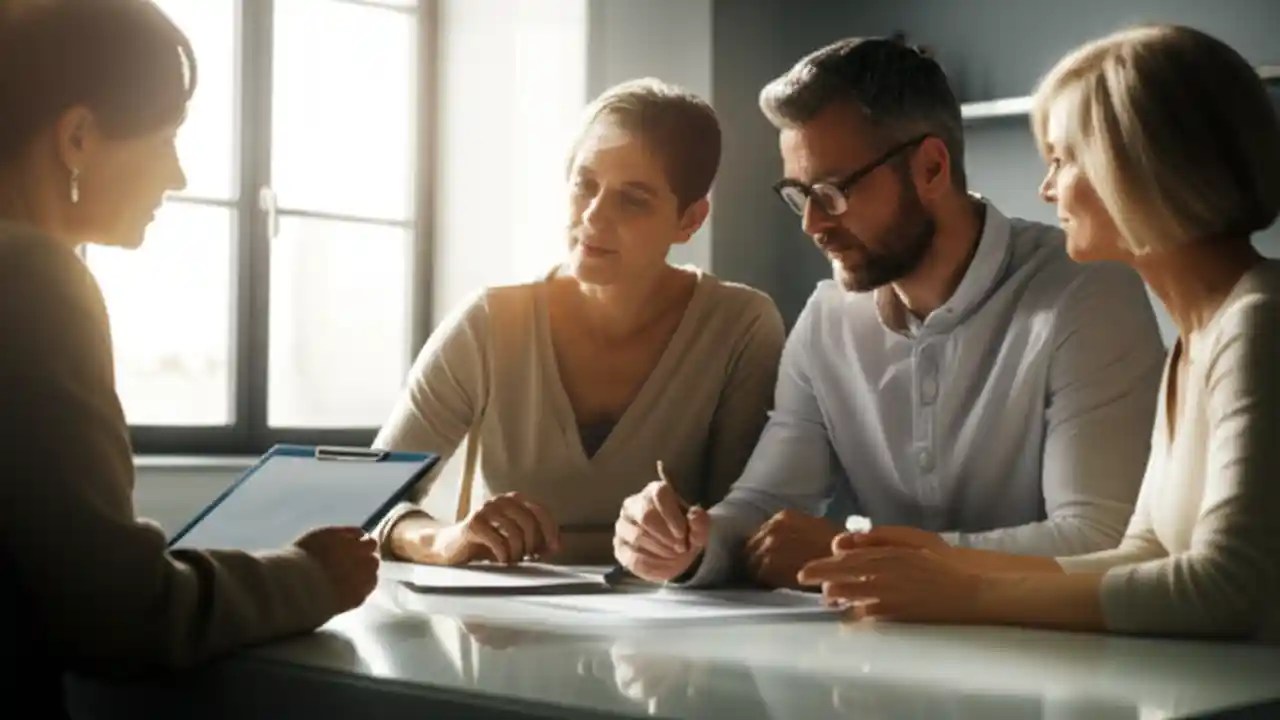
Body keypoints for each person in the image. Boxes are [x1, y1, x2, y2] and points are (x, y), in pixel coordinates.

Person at [614, 36, 1166, 588]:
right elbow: (766, 504)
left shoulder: (1086, 293)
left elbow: (1098, 539)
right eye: (799, 194)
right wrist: (687, 544)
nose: (812, 223)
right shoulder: (827, 320)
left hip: (1055, 640)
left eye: (832, 191)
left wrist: (848, 552)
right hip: (881, 634)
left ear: (931, 169)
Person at [799, 24, 1280, 641]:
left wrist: (968, 593)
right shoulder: (1197, 339)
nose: (1046, 189)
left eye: (1061, 160)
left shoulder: (1259, 323)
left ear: (1140, 165)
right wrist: (934, 559)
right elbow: (1147, 553)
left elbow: (1231, 587)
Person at [0, 3, 379, 716]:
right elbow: (117, 614)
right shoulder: (32, 280)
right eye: (167, 138)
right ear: (78, 137)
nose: (176, 175)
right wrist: (308, 577)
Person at [373, 78, 785, 567]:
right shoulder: (489, 322)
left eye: (633, 199)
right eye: (585, 185)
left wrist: (683, 543)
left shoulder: (739, 326)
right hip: (500, 611)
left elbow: (743, 525)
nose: (593, 216)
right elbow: (368, 502)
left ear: (690, 220)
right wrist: (446, 541)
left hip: (670, 609)